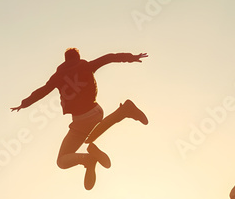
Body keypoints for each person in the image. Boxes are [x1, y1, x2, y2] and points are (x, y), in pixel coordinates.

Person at [11, 48, 148, 190]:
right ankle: (122, 113)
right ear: (78, 57)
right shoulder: (86, 66)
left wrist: (24, 103)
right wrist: (131, 57)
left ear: (65, 60)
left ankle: (89, 158)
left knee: (62, 160)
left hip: (81, 119)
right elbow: (108, 58)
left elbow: (42, 91)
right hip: (95, 112)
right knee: (88, 138)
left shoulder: (57, 77)